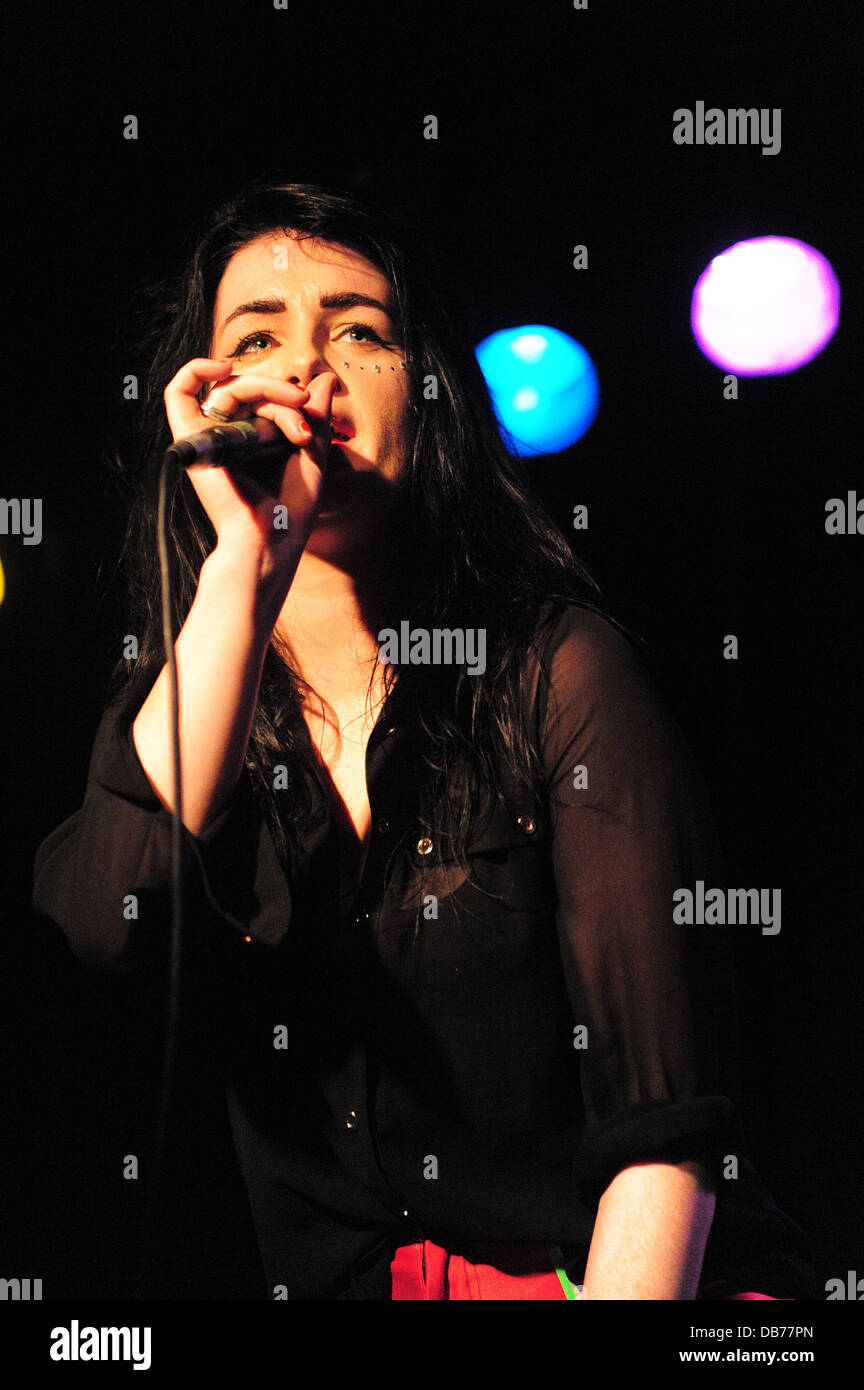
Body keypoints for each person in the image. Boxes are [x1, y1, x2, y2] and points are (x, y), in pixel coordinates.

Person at [33, 180, 816, 1301]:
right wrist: (247, 561)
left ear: (431, 392)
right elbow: (109, 925)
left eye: (360, 329)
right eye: (259, 334)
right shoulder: (185, 702)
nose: (310, 365)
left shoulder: (559, 668)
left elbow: (662, 1134)